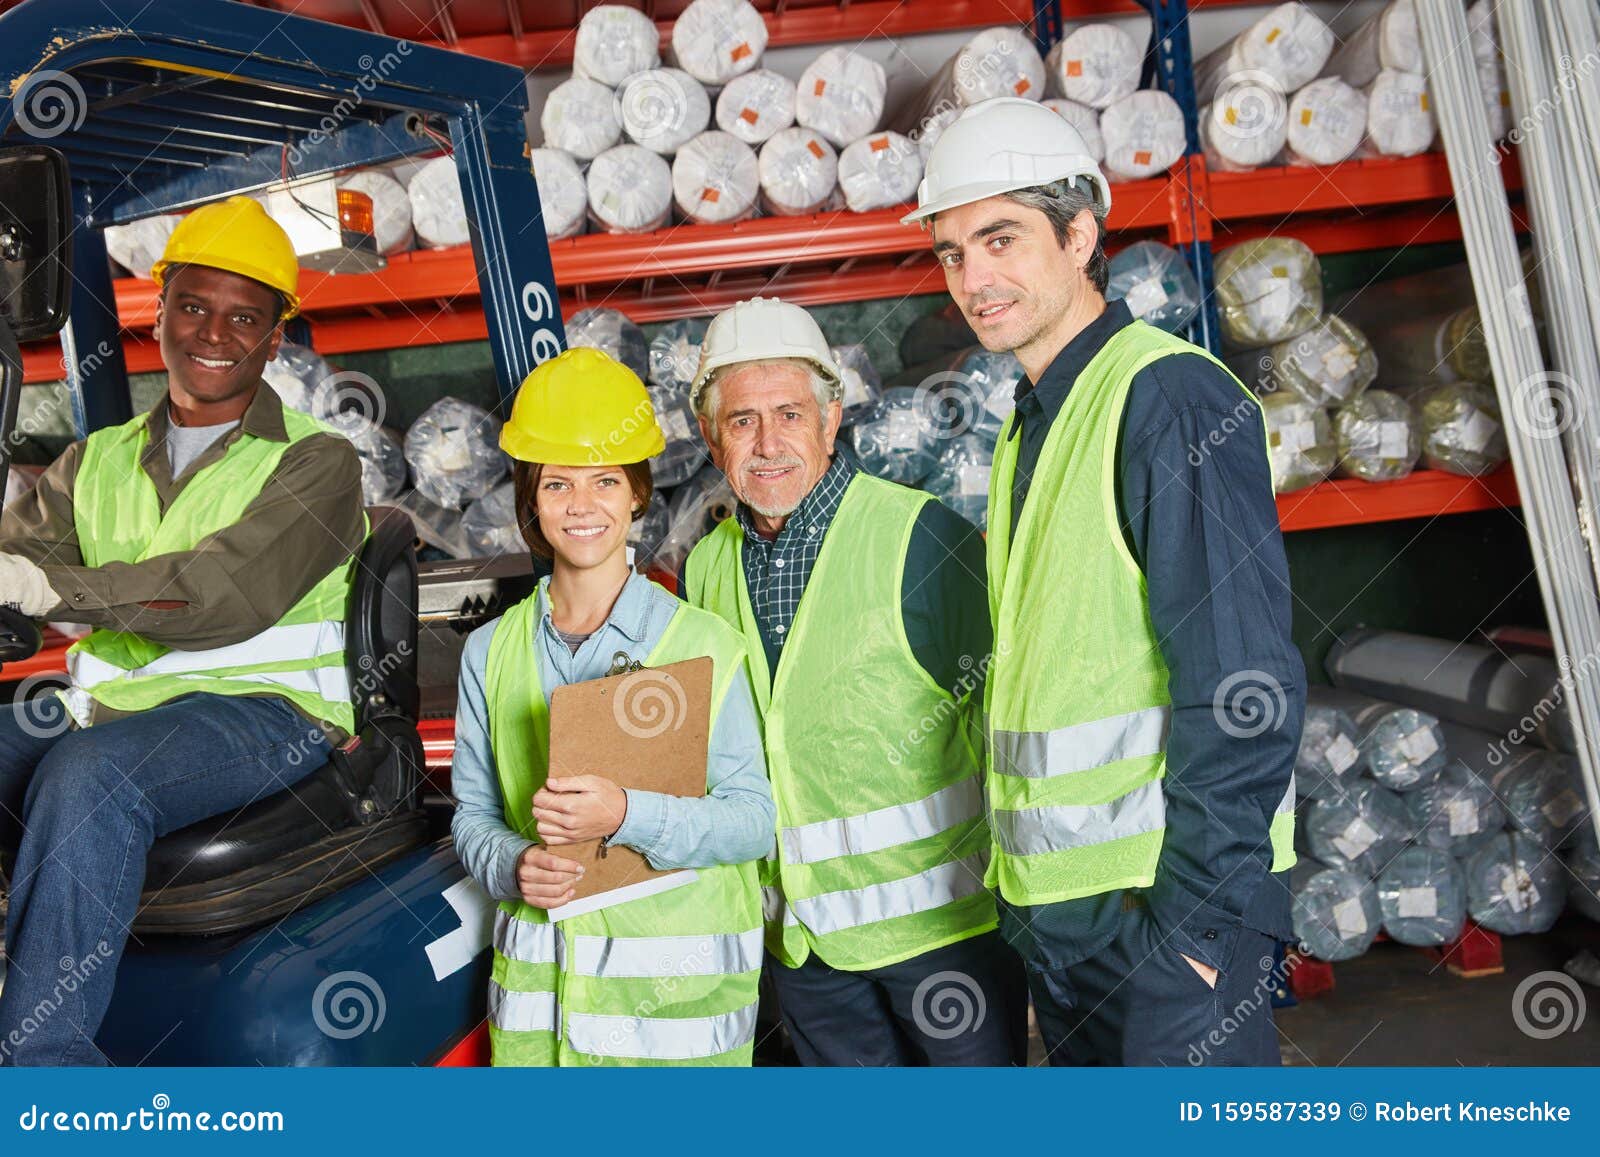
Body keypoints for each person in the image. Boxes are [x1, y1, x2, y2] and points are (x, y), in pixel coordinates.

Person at [903, 97, 1303, 1066]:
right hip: (1069, 912)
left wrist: (1200, 935)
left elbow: (1242, 678)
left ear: (1080, 232)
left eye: (1000, 237)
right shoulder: (1029, 416)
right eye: (953, 250)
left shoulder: (1166, 394)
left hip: (1161, 913)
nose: (973, 277)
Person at [0, 196, 367, 1065]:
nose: (214, 333)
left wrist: (45, 582)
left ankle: (40, 1071)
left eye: (246, 317)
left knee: (90, 776)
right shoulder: (97, 459)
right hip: (121, 706)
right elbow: (18, 564)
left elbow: (220, 592)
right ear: (158, 312)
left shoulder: (316, 462)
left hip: (267, 715)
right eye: (194, 306)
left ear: (276, 337)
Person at [682, 296, 1024, 1066]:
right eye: (742, 421)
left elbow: (1010, 724)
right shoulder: (705, 570)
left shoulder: (920, 535)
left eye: (790, 414)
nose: (768, 444)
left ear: (831, 419)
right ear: (710, 436)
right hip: (805, 950)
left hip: (943, 938)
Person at [450, 346, 775, 1067]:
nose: (581, 505)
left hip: (669, 1025)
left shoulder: (700, 645)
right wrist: (512, 865)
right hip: (543, 1022)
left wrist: (627, 814)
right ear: (531, 500)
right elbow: (472, 815)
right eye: (558, 483)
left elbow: (754, 820)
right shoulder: (490, 652)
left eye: (604, 481)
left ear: (636, 494)